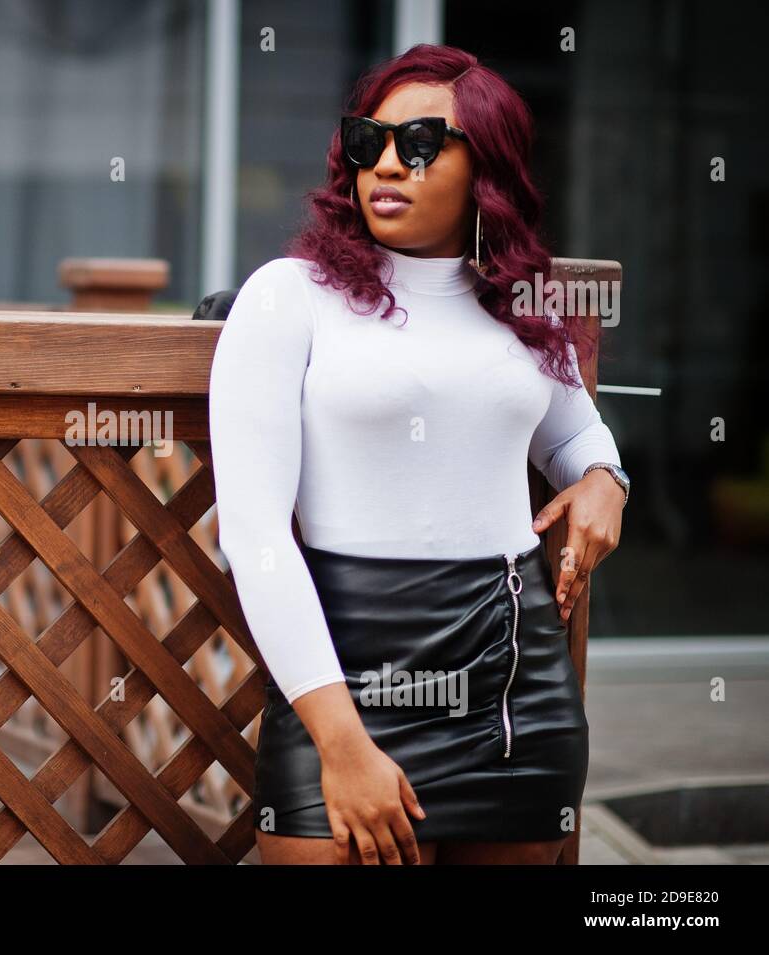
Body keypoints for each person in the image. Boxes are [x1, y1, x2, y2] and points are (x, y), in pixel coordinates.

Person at [208, 44, 630, 865]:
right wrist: (341, 744)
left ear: (489, 168)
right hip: (344, 676)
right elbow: (254, 539)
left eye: (422, 143)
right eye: (369, 142)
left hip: (515, 689)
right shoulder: (289, 298)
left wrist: (604, 478)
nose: (387, 164)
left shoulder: (522, 305)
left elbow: (575, 432)